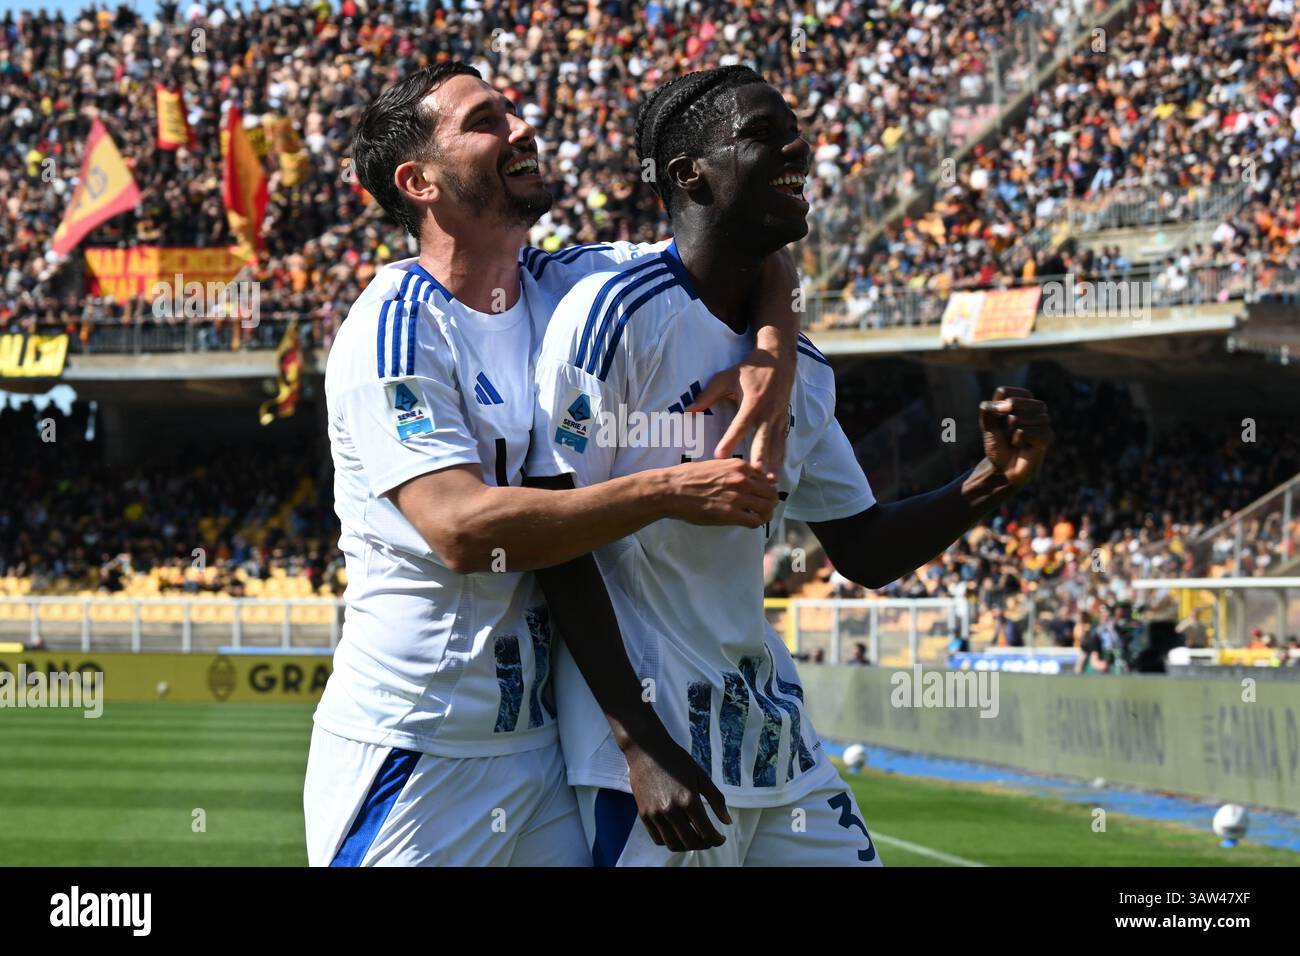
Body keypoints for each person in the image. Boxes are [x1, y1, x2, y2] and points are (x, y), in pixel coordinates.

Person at [529, 66, 1052, 866]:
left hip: (774, 742)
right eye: (765, 136)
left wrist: (992, 479)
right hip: (657, 751)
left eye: (796, 132)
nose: (799, 149)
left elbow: (866, 547)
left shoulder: (798, 365)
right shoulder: (611, 316)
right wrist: (639, 745)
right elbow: (553, 532)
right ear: (688, 174)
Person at [304, 62, 803, 867]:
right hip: (416, 749)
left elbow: (746, 243)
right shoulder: (392, 330)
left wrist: (773, 352)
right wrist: (669, 488)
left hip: (541, 753)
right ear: (418, 181)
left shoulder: (573, 284)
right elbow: (462, 530)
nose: (521, 129)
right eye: (487, 121)